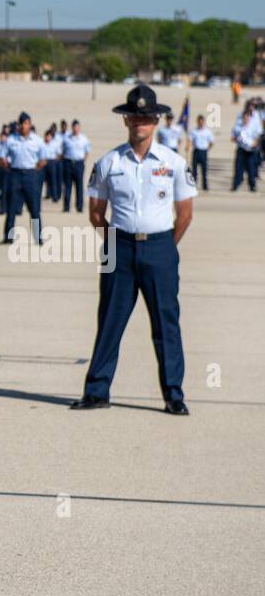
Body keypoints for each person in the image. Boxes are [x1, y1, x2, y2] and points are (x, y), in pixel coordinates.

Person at [71, 85, 195, 416]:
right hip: (119, 247)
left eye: (146, 117)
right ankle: (97, 390)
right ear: (126, 121)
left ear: (156, 121)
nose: (140, 122)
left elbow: (185, 214)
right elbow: (96, 213)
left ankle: (173, 394)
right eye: (134, 116)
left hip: (159, 248)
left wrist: (166, 245)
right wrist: (114, 243)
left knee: (166, 323)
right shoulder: (108, 162)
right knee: (109, 320)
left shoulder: (174, 163)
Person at [0, 112, 45, 243]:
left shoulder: (37, 140)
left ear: (30, 125)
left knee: (34, 209)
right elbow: (2, 156)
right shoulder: (11, 139)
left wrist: (35, 169)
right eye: (21, 124)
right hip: (15, 174)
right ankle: (8, 237)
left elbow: (43, 159)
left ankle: (38, 237)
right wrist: (5, 165)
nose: (23, 126)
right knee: (11, 208)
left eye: (26, 124)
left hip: (31, 175)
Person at [61, 119, 90, 212]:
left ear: (79, 128)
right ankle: (66, 207)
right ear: (72, 127)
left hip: (79, 163)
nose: (75, 129)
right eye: (74, 127)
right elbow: (63, 150)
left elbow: (87, 151)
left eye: (77, 127)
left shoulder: (84, 139)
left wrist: (81, 161)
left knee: (79, 186)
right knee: (67, 186)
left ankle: (79, 206)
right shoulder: (66, 138)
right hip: (68, 163)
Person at [231, 103, 260, 192]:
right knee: (238, 168)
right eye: (244, 117)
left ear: (250, 117)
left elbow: (257, 137)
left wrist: (254, 143)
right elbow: (232, 138)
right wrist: (238, 139)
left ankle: (252, 186)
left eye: (248, 117)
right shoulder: (237, 127)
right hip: (241, 150)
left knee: (251, 169)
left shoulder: (253, 126)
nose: (246, 118)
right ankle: (235, 185)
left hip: (250, 150)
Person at [189, 114, 214, 190]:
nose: (201, 123)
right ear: (197, 122)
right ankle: (193, 186)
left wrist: (207, 149)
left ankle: (205, 186)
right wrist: (188, 146)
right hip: (196, 151)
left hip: (204, 151)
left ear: (204, 122)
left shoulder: (207, 132)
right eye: (199, 122)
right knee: (194, 171)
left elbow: (211, 142)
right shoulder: (194, 131)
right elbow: (190, 140)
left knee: (204, 170)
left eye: (202, 122)